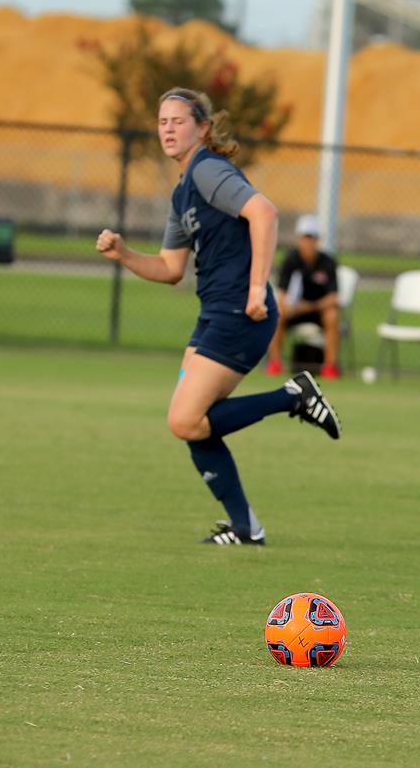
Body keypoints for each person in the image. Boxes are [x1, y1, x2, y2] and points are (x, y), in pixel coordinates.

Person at [95, 88, 340, 548]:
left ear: (203, 128)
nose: (168, 129)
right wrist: (124, 254)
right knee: (193, 422)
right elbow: (171, 269)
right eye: (162, 121)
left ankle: (292, 397)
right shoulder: (183, 190)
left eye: (178, 121)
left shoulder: (207, 169)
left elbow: (264, 213)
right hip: (214, 313)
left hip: (240, 311)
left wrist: (256, 287)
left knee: (184, 420)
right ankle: (246, 527)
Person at [265, 213, 341, 380]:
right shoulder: (291, 261)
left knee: (332, 315)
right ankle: (275, 362)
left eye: (312, 237)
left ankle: (329, 366)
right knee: (278, 313)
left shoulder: (327, 262)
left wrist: (311, 306)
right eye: (305, 237)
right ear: (299, 238)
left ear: (318, 239)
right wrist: (293, 306)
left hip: (318, 310)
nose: (309, 242)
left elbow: (333, 297)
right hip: (295, 310)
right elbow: (282, 294)